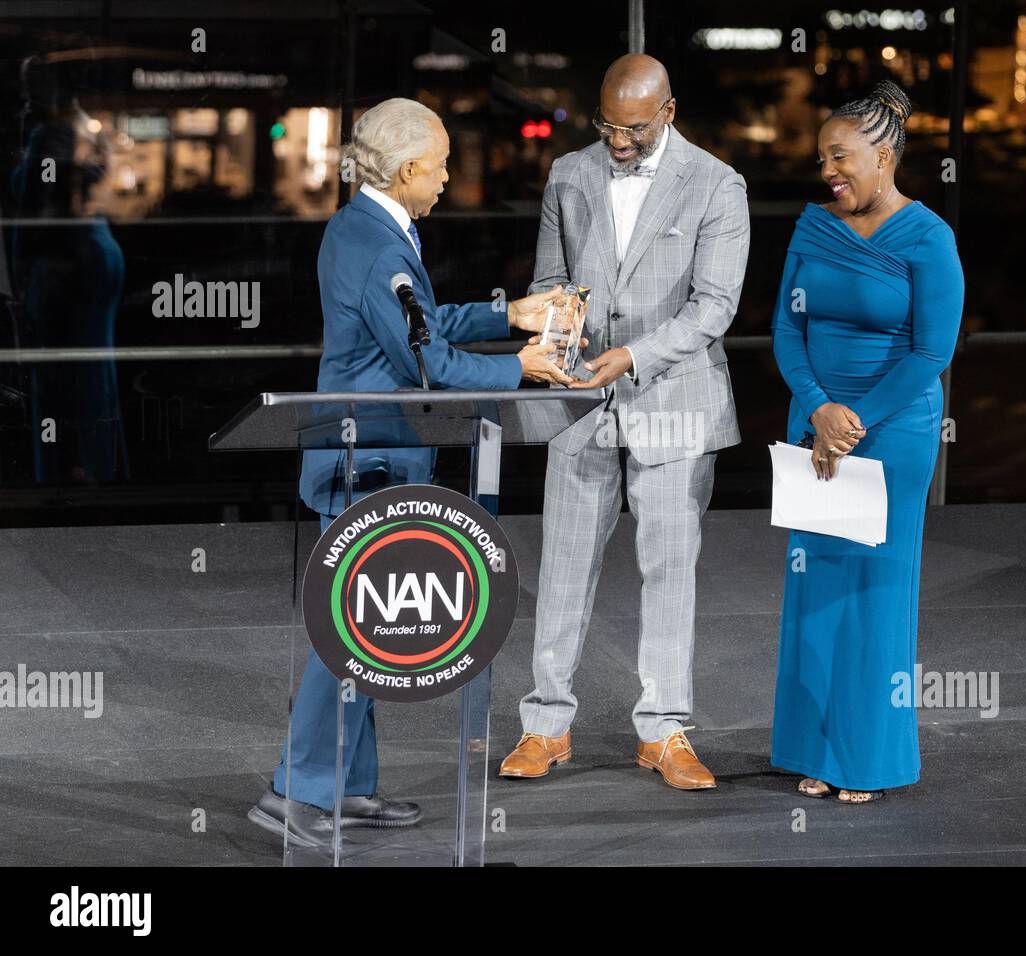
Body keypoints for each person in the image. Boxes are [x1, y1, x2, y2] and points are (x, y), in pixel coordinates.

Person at [248, 97, 570, 846]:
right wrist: (520, 368)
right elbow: (425, 362)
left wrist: (509, 315)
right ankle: (292, 792)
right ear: (407, 170)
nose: (451, 177)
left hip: (373, 455)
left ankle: (346, 787)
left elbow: (422, 322)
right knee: (352, 635)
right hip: (369, 460)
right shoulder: (384, 247)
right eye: (444, 163)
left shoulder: (365, 228)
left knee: (369, 627)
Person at [497, 54, 750, 790]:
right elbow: (549, 281)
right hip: (580, 401)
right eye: (607, 125)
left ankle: (665, 732)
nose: (616, 141)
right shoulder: (568, 175)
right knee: (565, 567)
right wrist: (558, 324)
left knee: (668, 572)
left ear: (667, 113)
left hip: (673, 403)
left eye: (632, 129)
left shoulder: (716, 185)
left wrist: (633, 356)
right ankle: (546, 727)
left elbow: (714, 307)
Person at [769, 81, 964, 804]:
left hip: (894, 430)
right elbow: (788, 328)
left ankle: (867, 760)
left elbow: (931, 351)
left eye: (841, 156)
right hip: (818, 429)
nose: (829, 171)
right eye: (823, 158)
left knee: (875, 595)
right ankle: (811, 750)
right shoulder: (812, 228)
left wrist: (853, 422)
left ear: (884, 156)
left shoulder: (929, 238)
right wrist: (821, 410)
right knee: (815, 590)